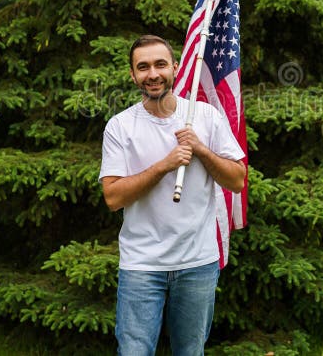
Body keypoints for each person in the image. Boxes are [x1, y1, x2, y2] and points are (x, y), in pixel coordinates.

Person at [99, 35, 246, 356]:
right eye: (143, 67)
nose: (152, 73)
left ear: (175, 68)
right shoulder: (120, 126)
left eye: (160, 64)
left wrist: (202, 150)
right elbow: (113, 197)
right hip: (142, 265)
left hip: (197, 262)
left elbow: (237, 180)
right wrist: (165, 165)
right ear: (133, 75)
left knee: (190, 352)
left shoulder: (205, 117)